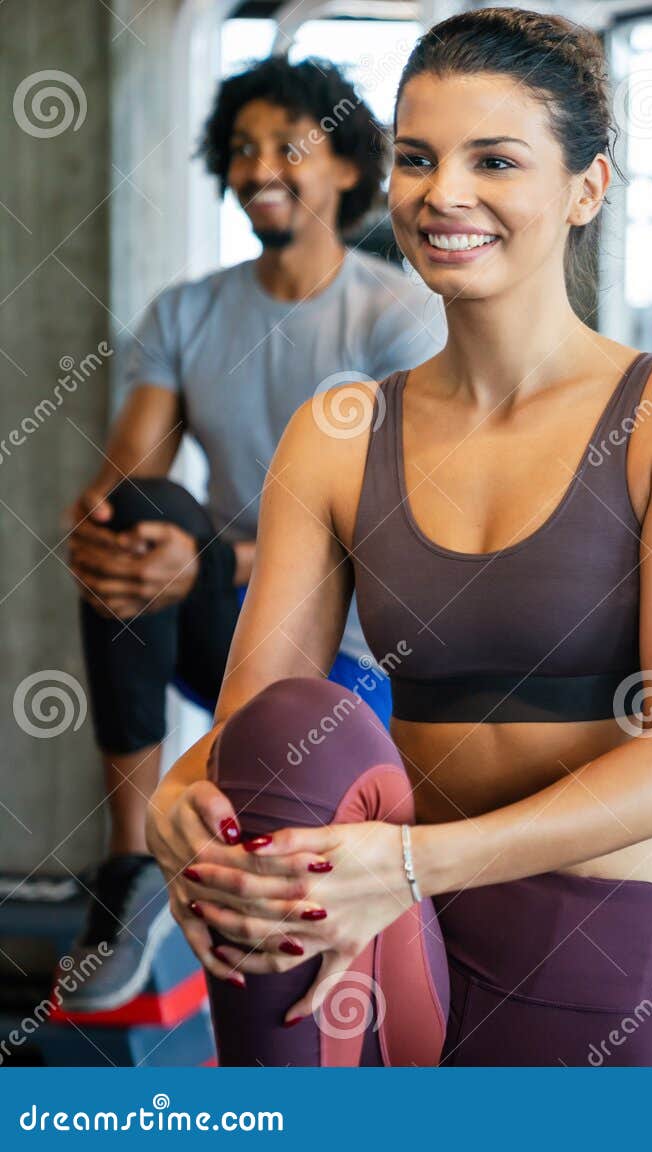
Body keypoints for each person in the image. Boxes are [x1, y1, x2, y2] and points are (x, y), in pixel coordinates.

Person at [142, 6, 652, 1066]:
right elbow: (259, 718)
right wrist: (170, 799)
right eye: (418, 158)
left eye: (495, 160)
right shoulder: (341, 432)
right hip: (378, 932)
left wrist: (417, 862)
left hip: (595, 953)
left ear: (587, 189)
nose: (445, 194)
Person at [58, 56, 444, 1012]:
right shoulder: (186, 312)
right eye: (241, 149)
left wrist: (212, 556)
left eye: (289, 146)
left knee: (175, 535)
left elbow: (395, 528)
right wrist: (98, 533)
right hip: (222, 633)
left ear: (349, 167)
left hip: (352, 659)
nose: (260, 166)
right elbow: (126, 481)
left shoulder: (398, 317)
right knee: (141, 517)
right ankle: (130, 868)